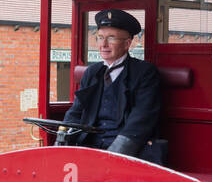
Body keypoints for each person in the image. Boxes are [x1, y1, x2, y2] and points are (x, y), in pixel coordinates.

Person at [57, 9, 160, 156]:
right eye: (100, 37)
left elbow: (141, 121)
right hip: (89, 147)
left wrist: (112, 157)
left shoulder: (145, 73)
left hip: (128, 153)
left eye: (111, 38)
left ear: (127, 44)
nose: (104, 44)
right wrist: (61, 143)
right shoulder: (91, 72)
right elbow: (75, 112)